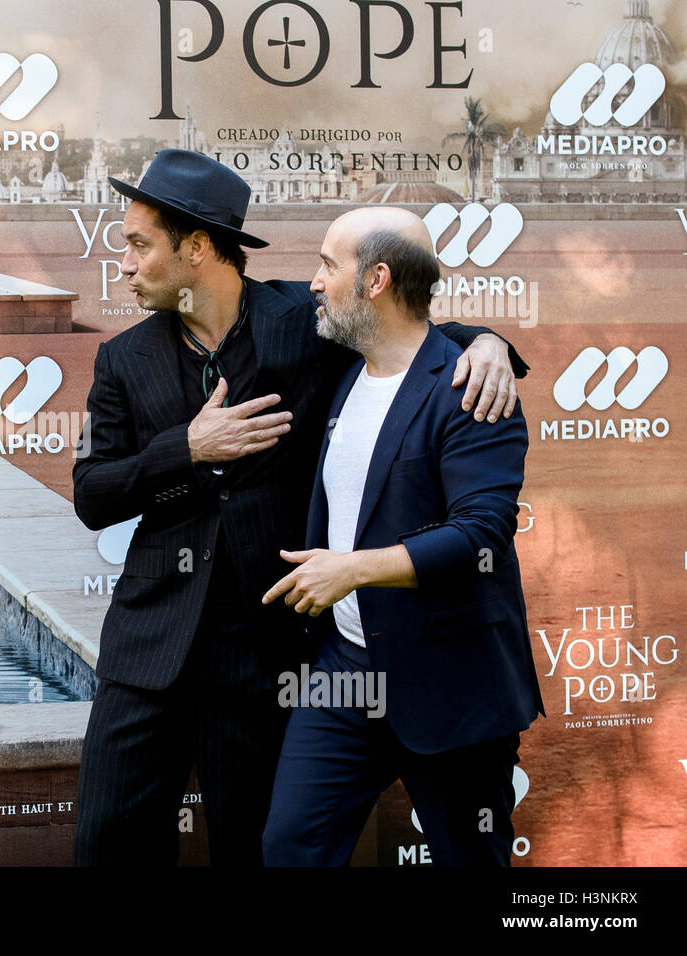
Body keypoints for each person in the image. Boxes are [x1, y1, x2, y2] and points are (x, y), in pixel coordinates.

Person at [70, 149, 527, 866]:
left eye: (137, 243)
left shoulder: (304, 325)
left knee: (260, 850)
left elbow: (405, 336)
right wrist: (184, 449)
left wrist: (491, 344)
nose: (123, 262)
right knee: (107, 847)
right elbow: (93, 495)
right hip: (148, 650)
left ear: (196, 247)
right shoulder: (123, 360)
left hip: (261, 659)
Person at [260, 206, 543, 866]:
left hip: (452, 683)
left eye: (328, 265)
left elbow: (480, 536)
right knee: (290, 847)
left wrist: (352, 569)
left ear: (377, 279)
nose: (313, 281)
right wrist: (490, 334)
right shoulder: (340, 367)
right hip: (345, 675)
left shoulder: (471, 389)